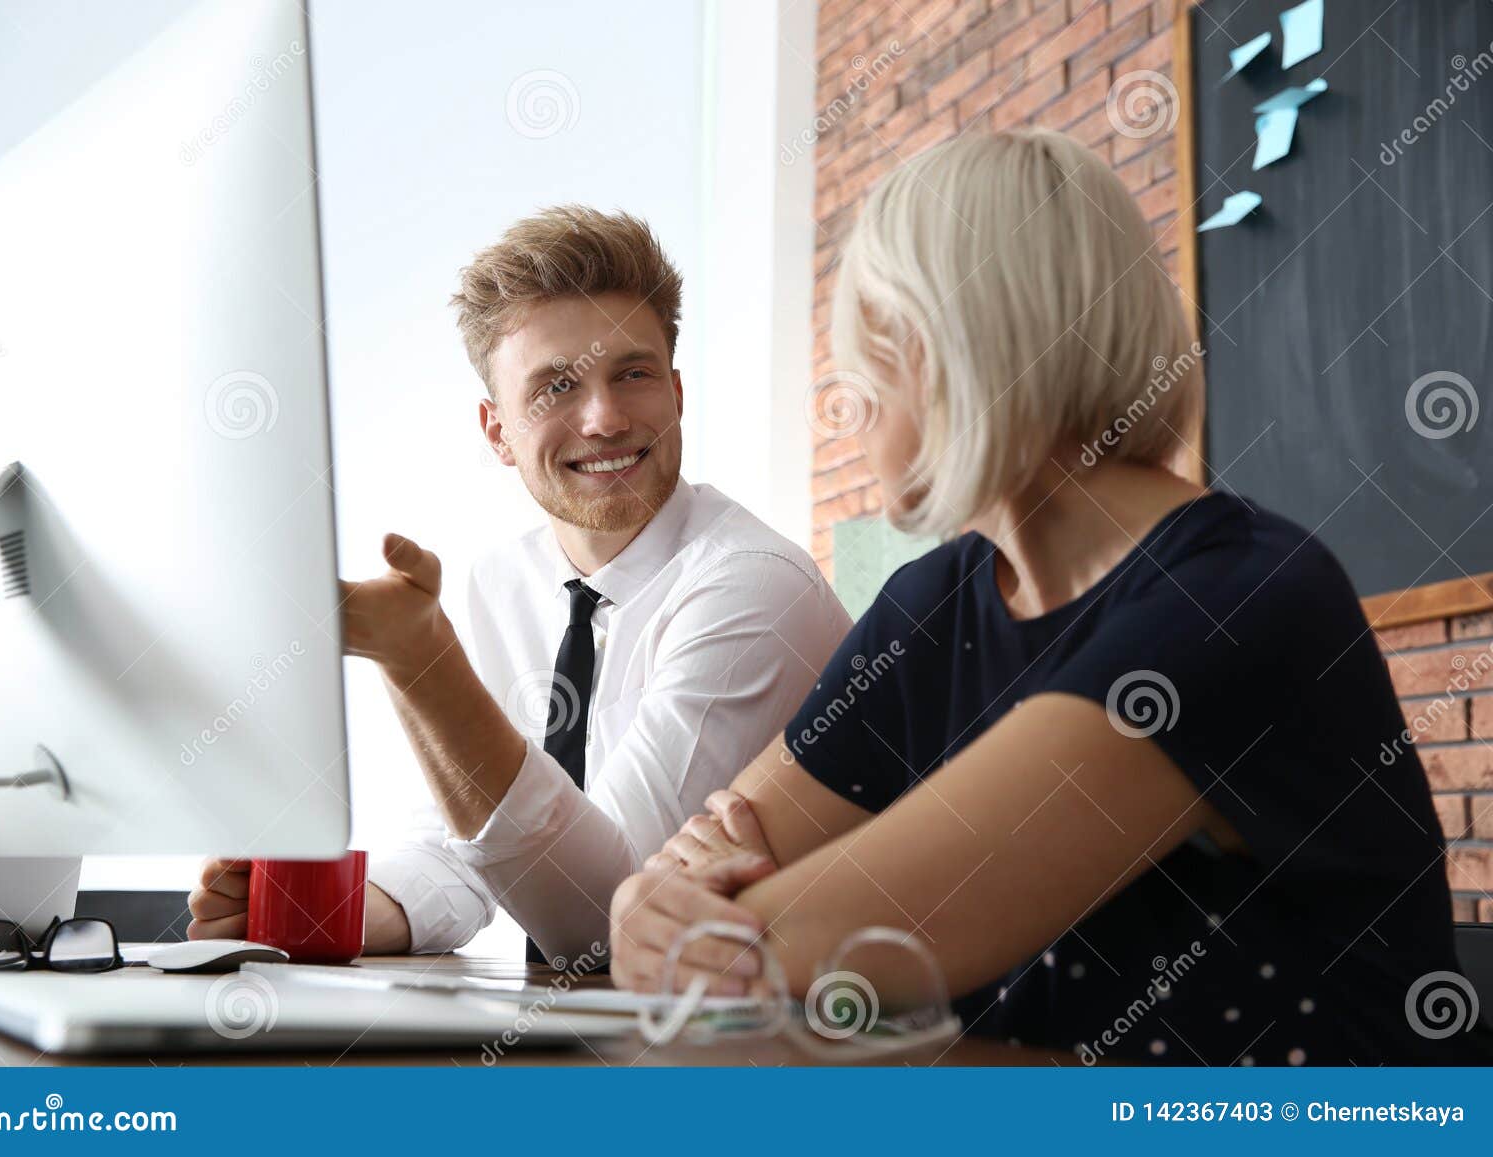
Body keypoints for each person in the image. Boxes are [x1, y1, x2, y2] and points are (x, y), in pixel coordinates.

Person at [609, 129, 1493, 1065]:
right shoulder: (934, 601)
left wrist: (685, 922)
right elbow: (702, 870)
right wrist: (642, 901)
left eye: (865, 352)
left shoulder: (1239, 599)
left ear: (944, 344)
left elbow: (812, 943)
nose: (849, 401)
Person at [188, 207, 851, 964]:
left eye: (632, 374)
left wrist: (424, 668)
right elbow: (459, 854)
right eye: (555, 388)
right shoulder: (502, 583)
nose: (603, 418)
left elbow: (607, 921)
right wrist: (317, 917)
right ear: (498, 431)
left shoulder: (754, 590)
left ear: (676, 393)